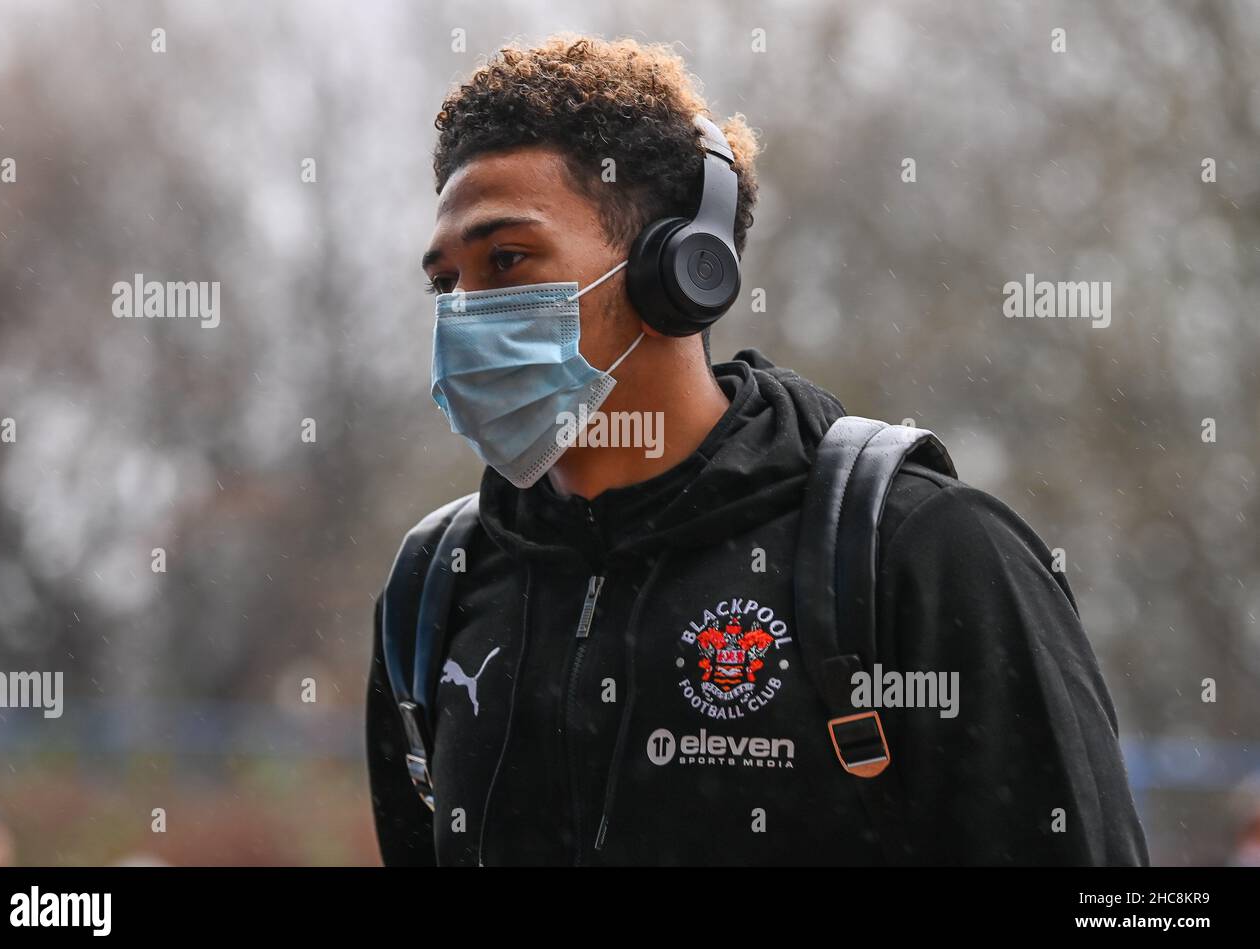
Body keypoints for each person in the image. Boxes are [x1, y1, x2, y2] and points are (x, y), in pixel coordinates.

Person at [365, 32, 1150, 866]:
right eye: (444, 281)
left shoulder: (917, 552)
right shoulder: (434, 589)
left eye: (507, 259)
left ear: (679, 271)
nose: (464, 313)